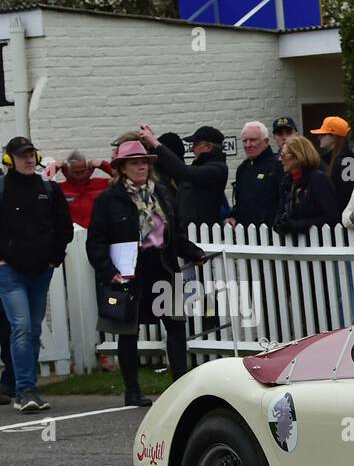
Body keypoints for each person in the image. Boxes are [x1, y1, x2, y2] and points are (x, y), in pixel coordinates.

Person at [86, 140, 208, 405]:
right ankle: (132, 391)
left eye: (144, 162)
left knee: (176, 325)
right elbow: (95, 241)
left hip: (162, 265)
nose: (141, 166)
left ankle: (180, 387)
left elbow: (174, 233)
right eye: (134, 162)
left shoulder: (161, 193)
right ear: (122, 168)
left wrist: (192, 252)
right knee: (127, 330)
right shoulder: (109, 199)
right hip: (127, 272)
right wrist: (109, 273)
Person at [0, 136, 74, 413]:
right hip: (9, 273)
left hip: (41, 271)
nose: (29, 159)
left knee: (32, 330)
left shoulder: (49, 189)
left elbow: (63, 227)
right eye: (22, 155)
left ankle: (28, 388)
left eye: (32, 154)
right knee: (21, 327)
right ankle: (25, 390)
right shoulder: (2, 188)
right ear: (10, 160)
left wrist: (54, 259)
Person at [139, 124, 229, 235]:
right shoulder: (199, 167)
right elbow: (173, 168)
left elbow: (182, 170)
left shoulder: (217, 170)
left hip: (202, 236)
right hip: (188, 234)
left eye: (195, 144)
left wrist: (155, 143)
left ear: (208, 147)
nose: (192, 149)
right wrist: (152, 146)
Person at [274, 135, 336, 235]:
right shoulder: (286, 182)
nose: (280, 160)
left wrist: (297, 225)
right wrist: (279, 223)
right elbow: (281, 210)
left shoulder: (318, 179)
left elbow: (331, 217)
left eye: (283, 155)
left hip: (318, 244)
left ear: (297, 157)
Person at [227, 121, 282, 229]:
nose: (248, 145)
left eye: (253, 140)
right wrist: (233, 216)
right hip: (245, 235)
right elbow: (240, 202)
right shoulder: (242, 168)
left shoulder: (278, 166)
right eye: (244, 141)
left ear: (266, 141)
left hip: (271, 234)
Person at [49, 151, 112, 228]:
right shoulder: (59, 189)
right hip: (73, 235)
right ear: (67, 171)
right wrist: (54, 167)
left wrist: (103, 164)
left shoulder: (102, 184)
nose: (80, 176)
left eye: (82, 171)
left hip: (100, 232)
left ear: (88, 169)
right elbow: (39, 185)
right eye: (76, 172)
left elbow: (123, 178)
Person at [311, 116, 354, 218]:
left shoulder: (345, 160)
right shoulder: (339, 159)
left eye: (323, 134)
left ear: (334, 136)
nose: (319, 137)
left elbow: (346, 194)